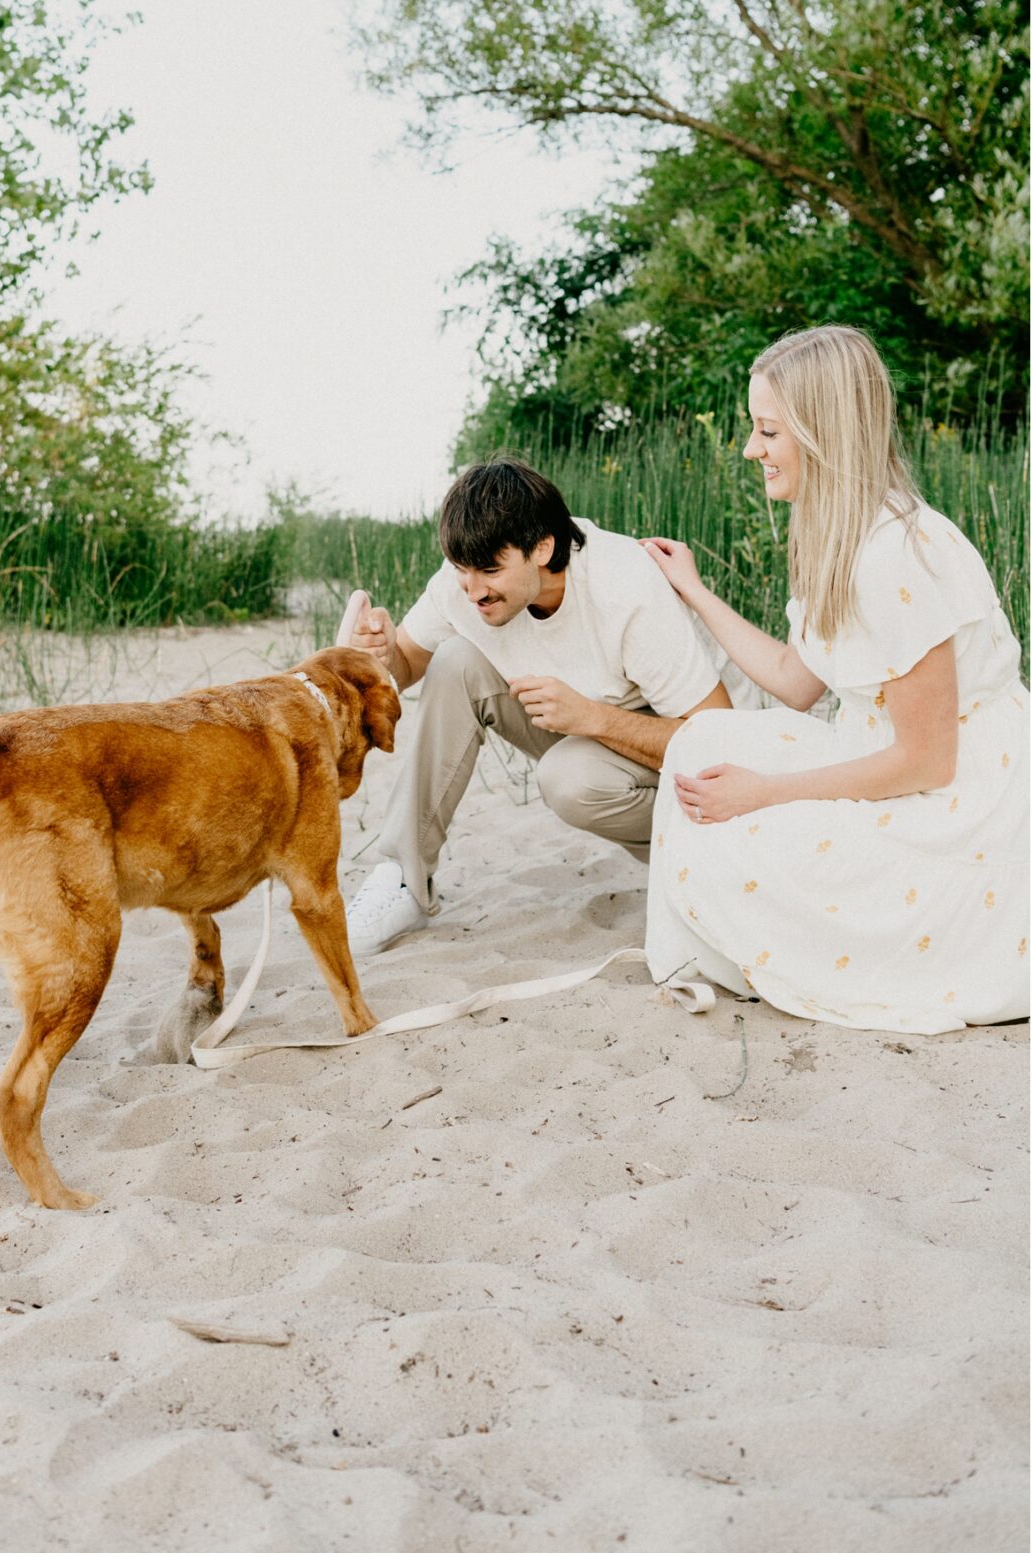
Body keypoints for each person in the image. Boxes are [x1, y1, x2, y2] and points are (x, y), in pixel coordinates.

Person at [642, 325, 1028, 1032]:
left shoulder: (894, 555)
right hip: (879, 753)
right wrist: (692, 590)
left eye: (766, 431)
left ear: (822, 434)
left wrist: (765, 793)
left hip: (963, 796)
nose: (750, 449)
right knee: (699, 744)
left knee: (747, 826)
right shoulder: (831, 533)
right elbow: (795, 682)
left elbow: (928, 760)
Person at [344, 456, 732, 955]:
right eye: (463, 571)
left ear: (543, 548)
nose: (474, 590)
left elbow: (717, 741)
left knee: (569, 777)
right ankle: (404, 878)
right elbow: (407, 667)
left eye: (489, 570)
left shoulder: (625, 586)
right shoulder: (466, 578)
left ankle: (692, 860)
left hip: (660, 747)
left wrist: (592, 718)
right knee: (456, 660)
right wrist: (382, 655)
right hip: (569, 723)